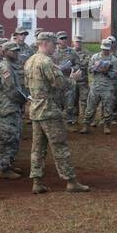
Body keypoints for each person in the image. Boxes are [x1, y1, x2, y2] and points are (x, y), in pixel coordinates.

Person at [25, 32, 91, 194]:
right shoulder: (46, 62)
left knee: (38, 148)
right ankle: (71, 181)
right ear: (45, 43)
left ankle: (37, 181)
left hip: (35, 109)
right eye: (54, 44)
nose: (56, 47)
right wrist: (73, 79)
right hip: (49, 110)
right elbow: (60, 84)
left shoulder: (30, 61)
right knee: (60, 145)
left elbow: (27, 84)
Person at [0, 42, 27, 179]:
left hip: (12, 107)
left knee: (14, 136)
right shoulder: (5, 67)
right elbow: (11, 90)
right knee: (8, 138)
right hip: (6, 108)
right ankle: (4, 168)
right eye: (13, 51)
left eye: (17, 51)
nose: (16, 53)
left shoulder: (10, 66)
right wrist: (25, 100)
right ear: (5, 52)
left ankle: (8, 163)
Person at [82, 37, 117, 134]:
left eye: (107, 49)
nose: (105, 51)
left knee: (108, 107)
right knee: (90, 107)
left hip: (108, 87)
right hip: (95, 86)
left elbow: (115, 74)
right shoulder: (95, 57)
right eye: (103, 49)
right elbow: (89, 69)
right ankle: (86, 125)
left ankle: (106, 125)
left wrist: (106, 71)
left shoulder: (114, 60)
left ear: (110, 48)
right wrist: (95, 68)